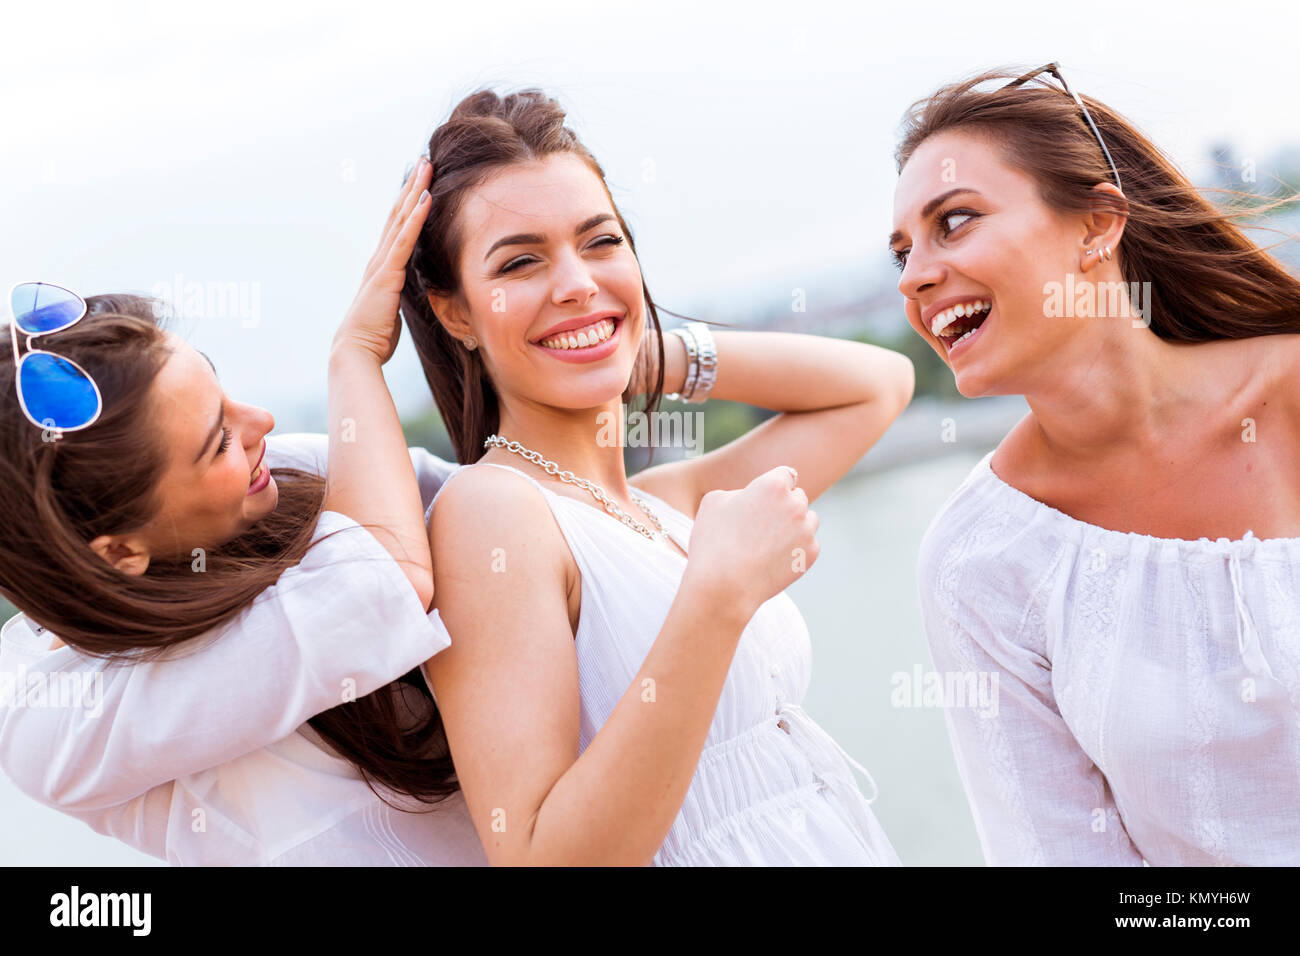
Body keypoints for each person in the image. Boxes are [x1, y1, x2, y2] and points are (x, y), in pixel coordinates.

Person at [400, 89, 915, 866]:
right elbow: (539, 855)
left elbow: (878, 385)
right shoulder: (492, 513)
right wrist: (717, 596)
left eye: (600, 242)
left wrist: (633, 349)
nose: (574, 279)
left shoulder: (667, 506)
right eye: (520, 262)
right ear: (457, 313)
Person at [0, 160, 486, 864]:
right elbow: (382, 583)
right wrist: (353, 357)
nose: (258, 421)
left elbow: (514, 502)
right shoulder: (52, 722)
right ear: (117, 554)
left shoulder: (268, 478)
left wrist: (651, 358)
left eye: (222, 390)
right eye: (218, 439)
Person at [890, 63, 1300, 865]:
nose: (915, 276)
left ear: (1098, 224)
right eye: (901, 252)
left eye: (956, 221)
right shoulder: (977, 562)